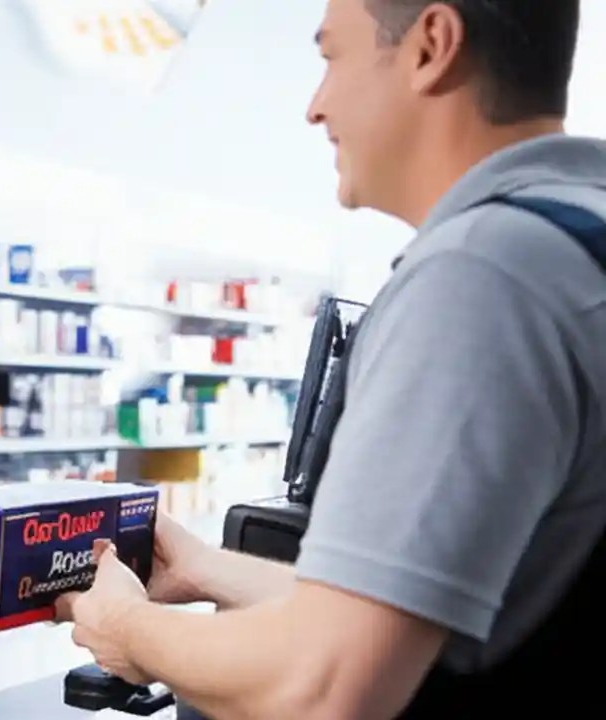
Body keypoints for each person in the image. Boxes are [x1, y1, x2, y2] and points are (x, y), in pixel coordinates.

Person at [57, 0, 606, 717]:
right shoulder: (572, 243)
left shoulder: (481, 275)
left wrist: (128, 632)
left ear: (430, 46)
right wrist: (206, 570)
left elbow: (323, 687)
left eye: (331, 58)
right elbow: (423, 611)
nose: (316, 108)